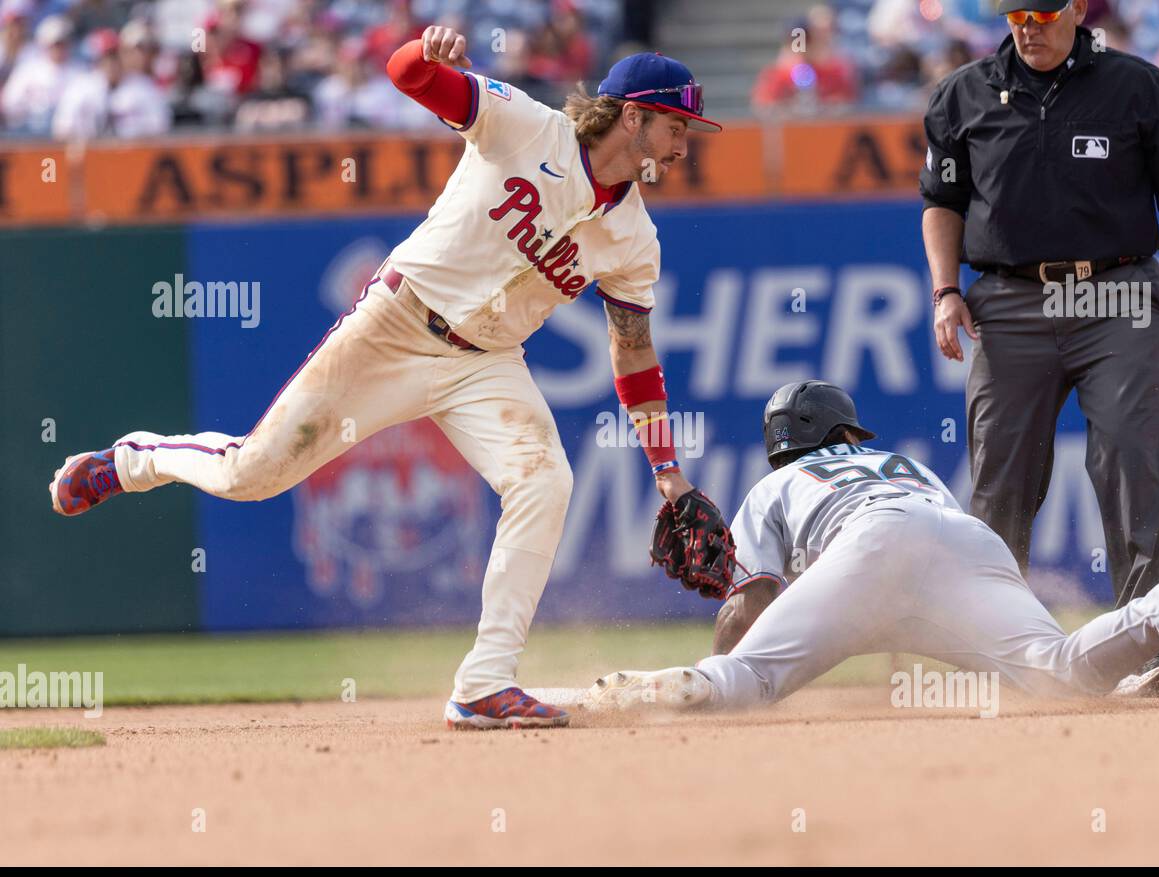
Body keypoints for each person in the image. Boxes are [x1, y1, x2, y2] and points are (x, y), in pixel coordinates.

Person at [48, 23, 723, 731]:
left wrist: (667, 470)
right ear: (634, 115)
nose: (683, 147)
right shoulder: (527, 126)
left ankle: (486, 680)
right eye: (677, 127)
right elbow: (410, 76)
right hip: (395, 324)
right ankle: (135, 459)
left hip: (485, 362)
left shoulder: (633, 238)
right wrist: (423, 51)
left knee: (544, 478)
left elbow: (634, 353)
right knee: (252, 473)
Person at [584, 382, 1159, 714]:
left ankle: (669, 690)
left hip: (869, 550)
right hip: (965, 541)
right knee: (1061, 672)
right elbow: (899, 588)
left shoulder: (777, 484)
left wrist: (728, 668)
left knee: (749, 680)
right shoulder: (900, 462)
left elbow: (749, 605)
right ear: (847, 433)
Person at [920, 0, 1159, 698]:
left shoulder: (1137, 84)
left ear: (1078, 9)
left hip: (1114, 293)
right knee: (1001, 477)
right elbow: (941, 201)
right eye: (1015, 12)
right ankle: (996, 652)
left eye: (1044, 11)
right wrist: (946, 291)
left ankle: (1145, 645)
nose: (1029, 25)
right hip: (1010, 299)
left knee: (1130, 456)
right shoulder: (962, 91)